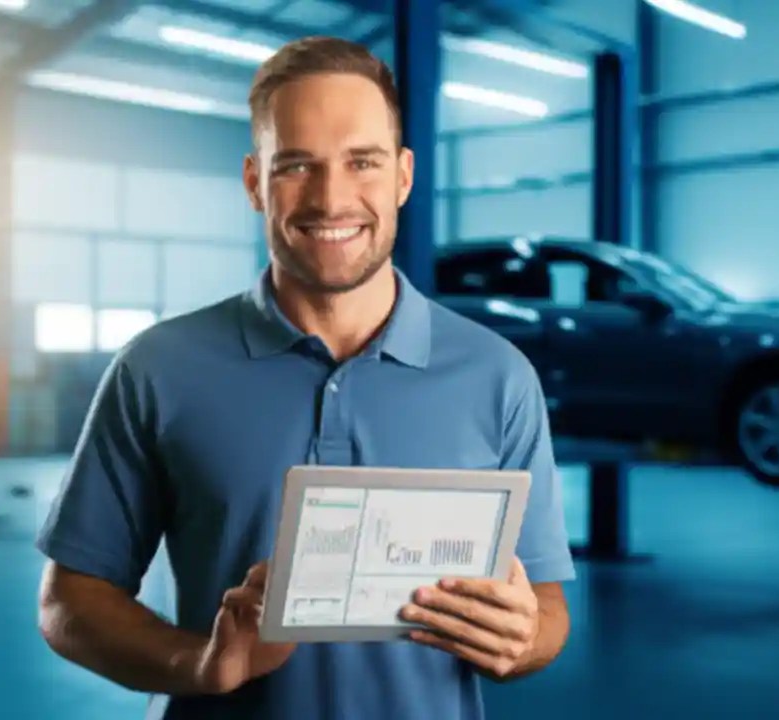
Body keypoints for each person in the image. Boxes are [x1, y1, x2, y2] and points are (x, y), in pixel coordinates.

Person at [35, 36, 576, 720]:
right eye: (296, 165)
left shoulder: (497, 376)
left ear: (403, 177)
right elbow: (70, 599)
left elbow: (549, 607)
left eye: (363, 162)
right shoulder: (158, 368)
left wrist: (524, 638)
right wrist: (200, 663)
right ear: (255, 182)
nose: (331, 198)